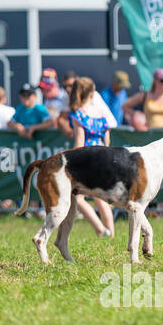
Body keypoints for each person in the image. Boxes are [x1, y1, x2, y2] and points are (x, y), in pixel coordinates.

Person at [64, 77, 116, 237]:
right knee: (101, 198)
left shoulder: (78, 114)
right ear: (92, 94)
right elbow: (107, 140)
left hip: (86, 160)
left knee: (78, 199)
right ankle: (111, 232)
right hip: (102, 158)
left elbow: (79, 142)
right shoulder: (100, 114)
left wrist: (68, 161)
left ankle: (100, 230)